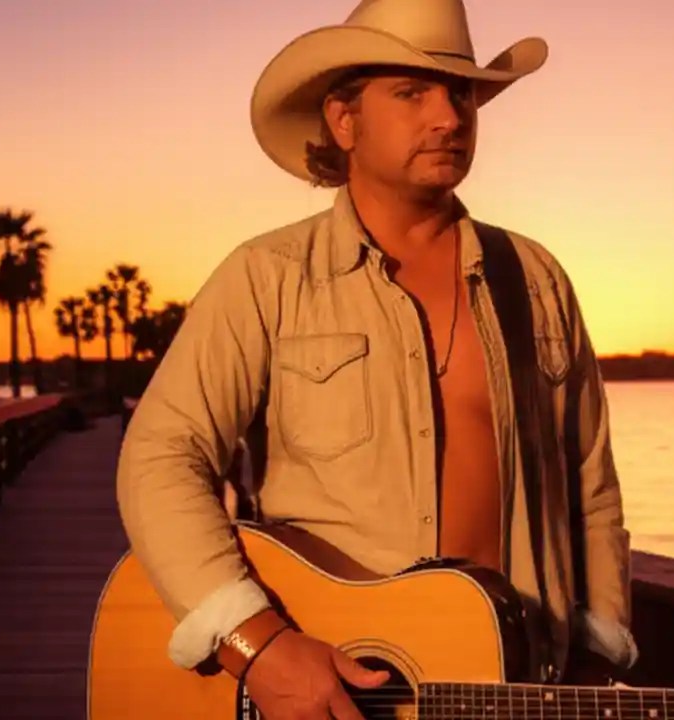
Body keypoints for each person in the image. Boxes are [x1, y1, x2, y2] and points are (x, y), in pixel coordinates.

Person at [115, 0, 638, 717]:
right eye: (412, 92)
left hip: (519, 684)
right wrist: (257, 645)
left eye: (462, 94)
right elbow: (160, 456)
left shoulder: (535, 278)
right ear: (344, 120)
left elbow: (591, 488)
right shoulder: (269, 277)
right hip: (334, 693)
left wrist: (599, 650)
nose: (450, 117)